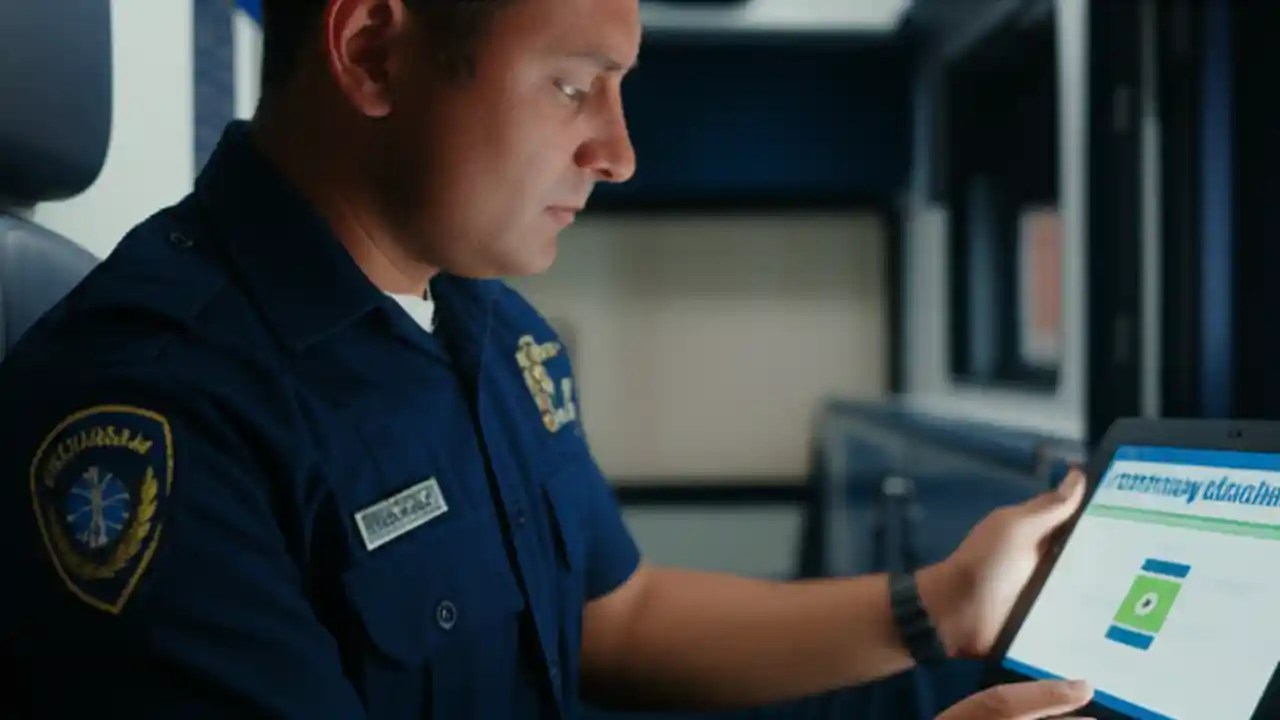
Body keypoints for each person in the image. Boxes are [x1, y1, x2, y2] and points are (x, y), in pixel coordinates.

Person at [0, 0, 1093, 718]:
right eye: (573, 86)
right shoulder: (156, 402)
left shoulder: (494, 333)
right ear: (373, 52)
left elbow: (614, 617)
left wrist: (942, 604)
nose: (617, 153)